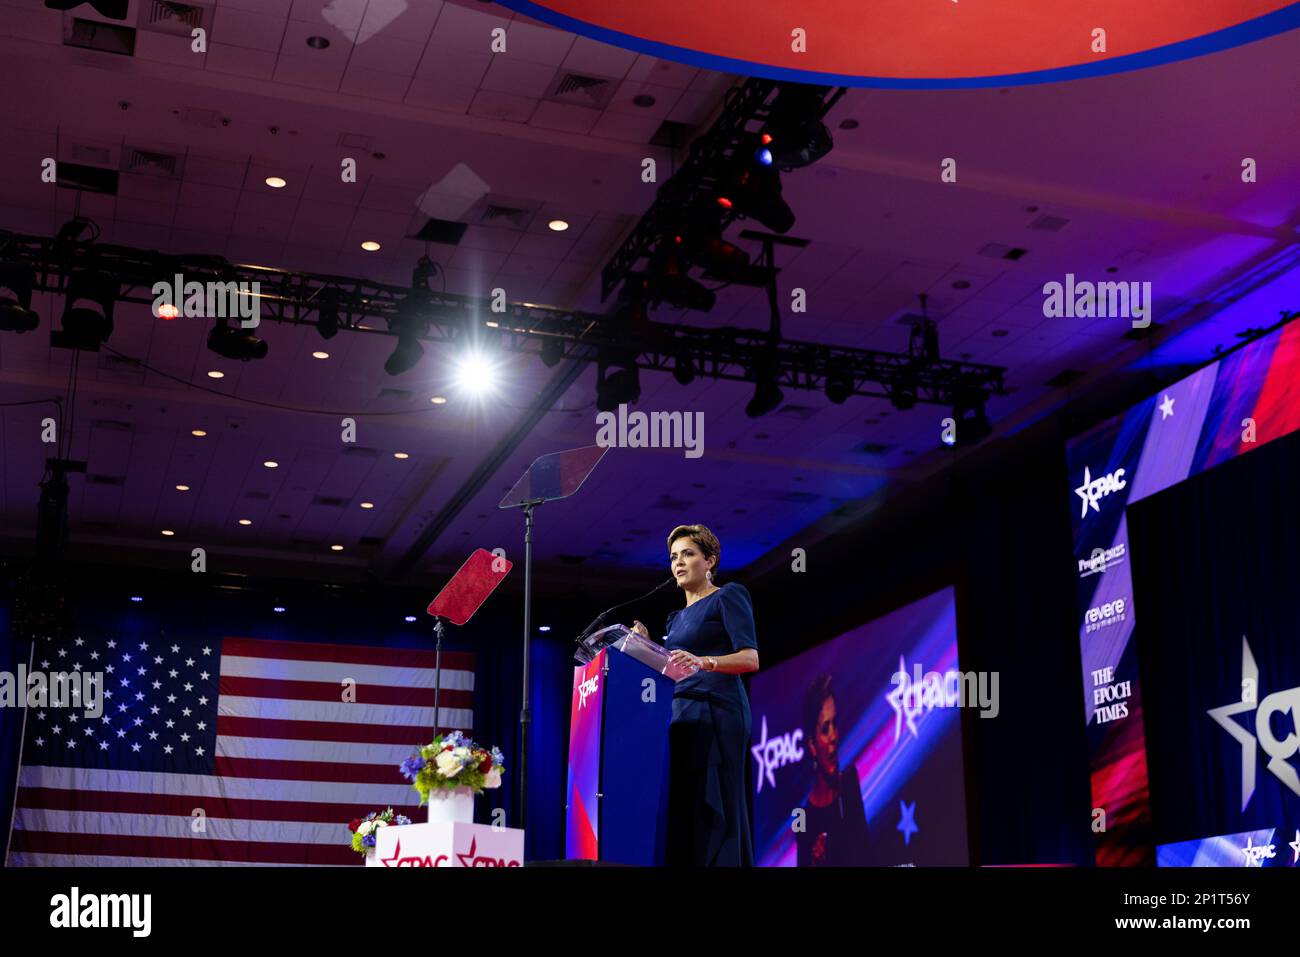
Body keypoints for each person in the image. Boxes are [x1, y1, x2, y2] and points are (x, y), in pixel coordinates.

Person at [631, 524, 759, 867]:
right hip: (681, 717)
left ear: (710, 561)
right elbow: (672, 668)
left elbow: (750, 658)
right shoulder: (674, 619)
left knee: (717, 804)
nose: (679, 562)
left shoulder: (728, 595)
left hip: (718, 713)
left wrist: (705, 662)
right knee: (688, 808)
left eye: (688, 554)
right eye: (674, 557)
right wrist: (645, 646)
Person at [796, 674, 869, 866]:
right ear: (812, 745)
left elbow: (864, 851)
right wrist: (815, 860)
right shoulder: (800, 814)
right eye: (825, 729)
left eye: (834, 724)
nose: (834, 737)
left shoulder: (850, 783)